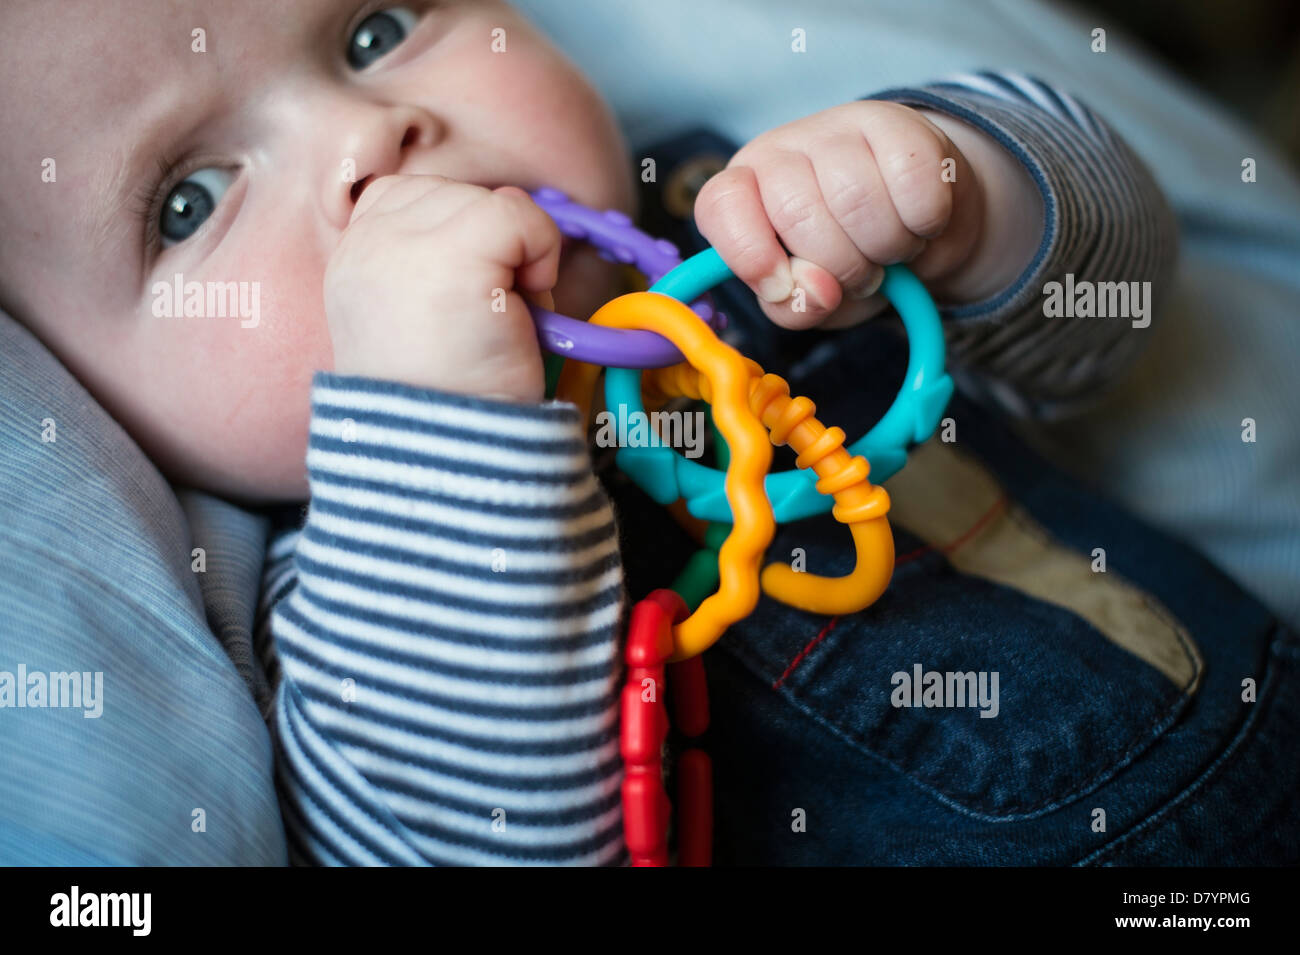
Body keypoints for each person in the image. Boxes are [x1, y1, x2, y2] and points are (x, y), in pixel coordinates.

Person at [0, 0, 1294, 864]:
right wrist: (440, 424)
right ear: (93, 401)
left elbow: (1105, 332)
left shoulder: (746, 209)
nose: (369, 140)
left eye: (374, 29)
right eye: (186, 201)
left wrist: (964, 186)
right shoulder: (342, 603)